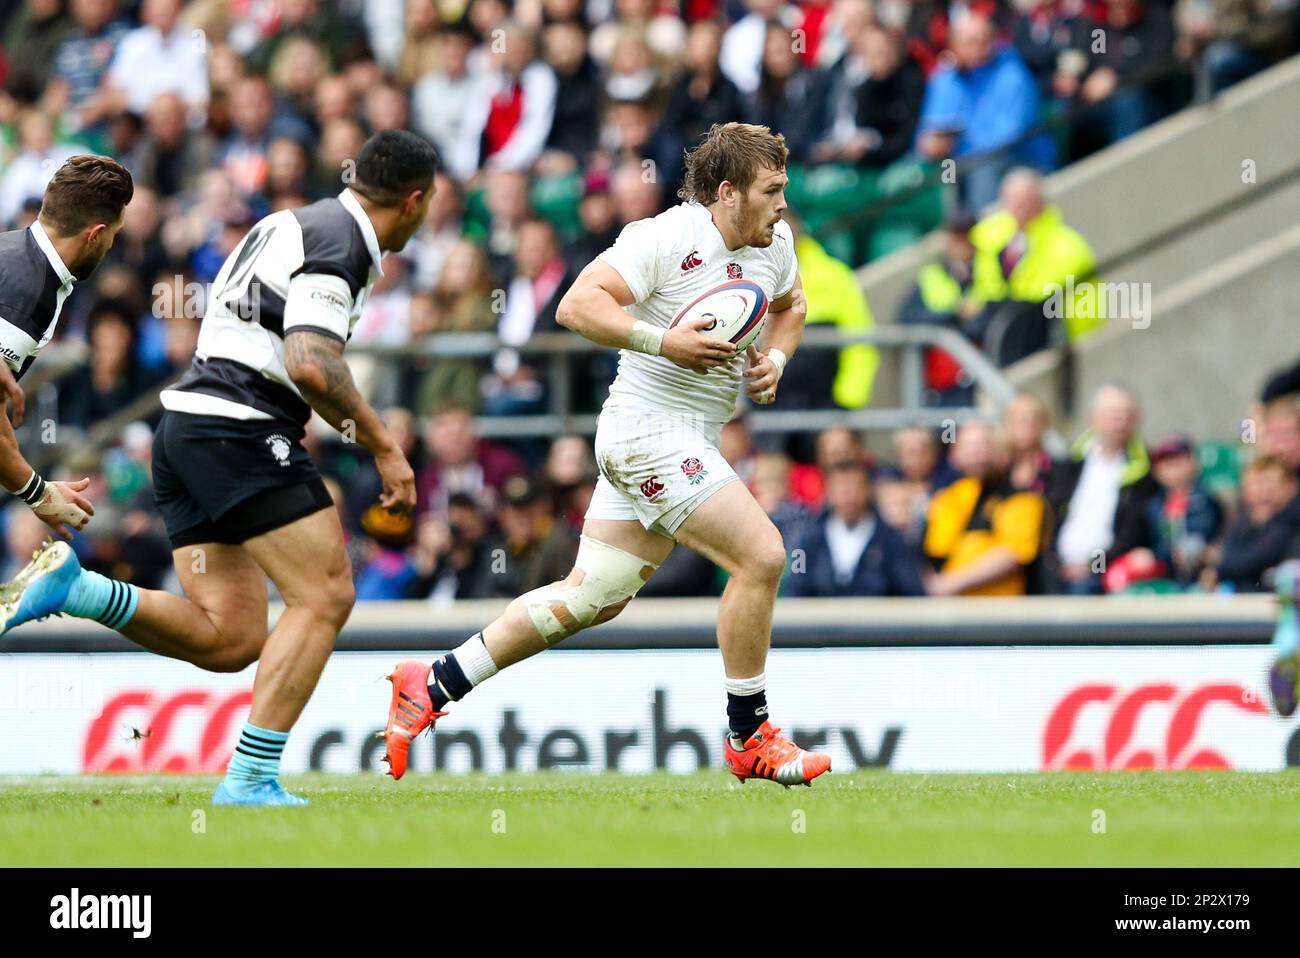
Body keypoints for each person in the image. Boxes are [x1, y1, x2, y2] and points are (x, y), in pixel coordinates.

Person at [381, 122, 834, 787]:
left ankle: (434, 681)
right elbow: (576, 305)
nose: (783, 205)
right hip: (647, 430)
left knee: (592, 597)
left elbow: (792, 306)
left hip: (685, 437)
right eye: (772, 191)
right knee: (762, 556)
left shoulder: (775, 244)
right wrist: (663, 342)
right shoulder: (666, 237)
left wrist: (778, 360)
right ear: (729, 192)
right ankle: (750, 736)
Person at [0, 130, 440, 807]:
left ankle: (78, 591)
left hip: (189, 429)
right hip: (239, 429)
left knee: (232, 635)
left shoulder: (289, 222)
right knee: (325, 595)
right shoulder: (338, 241)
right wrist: (385, 445)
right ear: (413, 202)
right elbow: (310, 361)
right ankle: (250, 778)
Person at [0, 155, 133, 542]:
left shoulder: (16, 252)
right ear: (95, 234)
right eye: (113, 235)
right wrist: (38, 493)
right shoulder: (27, 295)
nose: (111, 245)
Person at [1044, 385, 1156, 594]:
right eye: (1111, 414)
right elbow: (1050, 513)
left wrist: (1090, 565)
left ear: (1137, 419)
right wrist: (1054, 561)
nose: (1119, 421)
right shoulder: (1069, 463)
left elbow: (1131, 535)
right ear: (1092, 417)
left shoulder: (1145, 471)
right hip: (1056, 564)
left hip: (1102, 568)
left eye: (1126, 414)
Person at [924, 420, 1047, 596]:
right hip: (951, 608)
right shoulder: (949, 496)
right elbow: (934, 550)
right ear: (954, 453)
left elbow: (1014, 554)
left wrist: (948, 584)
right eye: (970, 447)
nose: (979, 454)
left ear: (1003, 451)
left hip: (1000, 610)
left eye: (986, 445)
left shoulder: (1022, 498)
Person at [786, 459, 924, 597]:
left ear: (868, 490)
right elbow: (796, 588)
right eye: (841, 488)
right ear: (829, 490)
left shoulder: (892, 541)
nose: (849, 495)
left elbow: (911, 591)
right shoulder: (808, 540)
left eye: (855, 487)